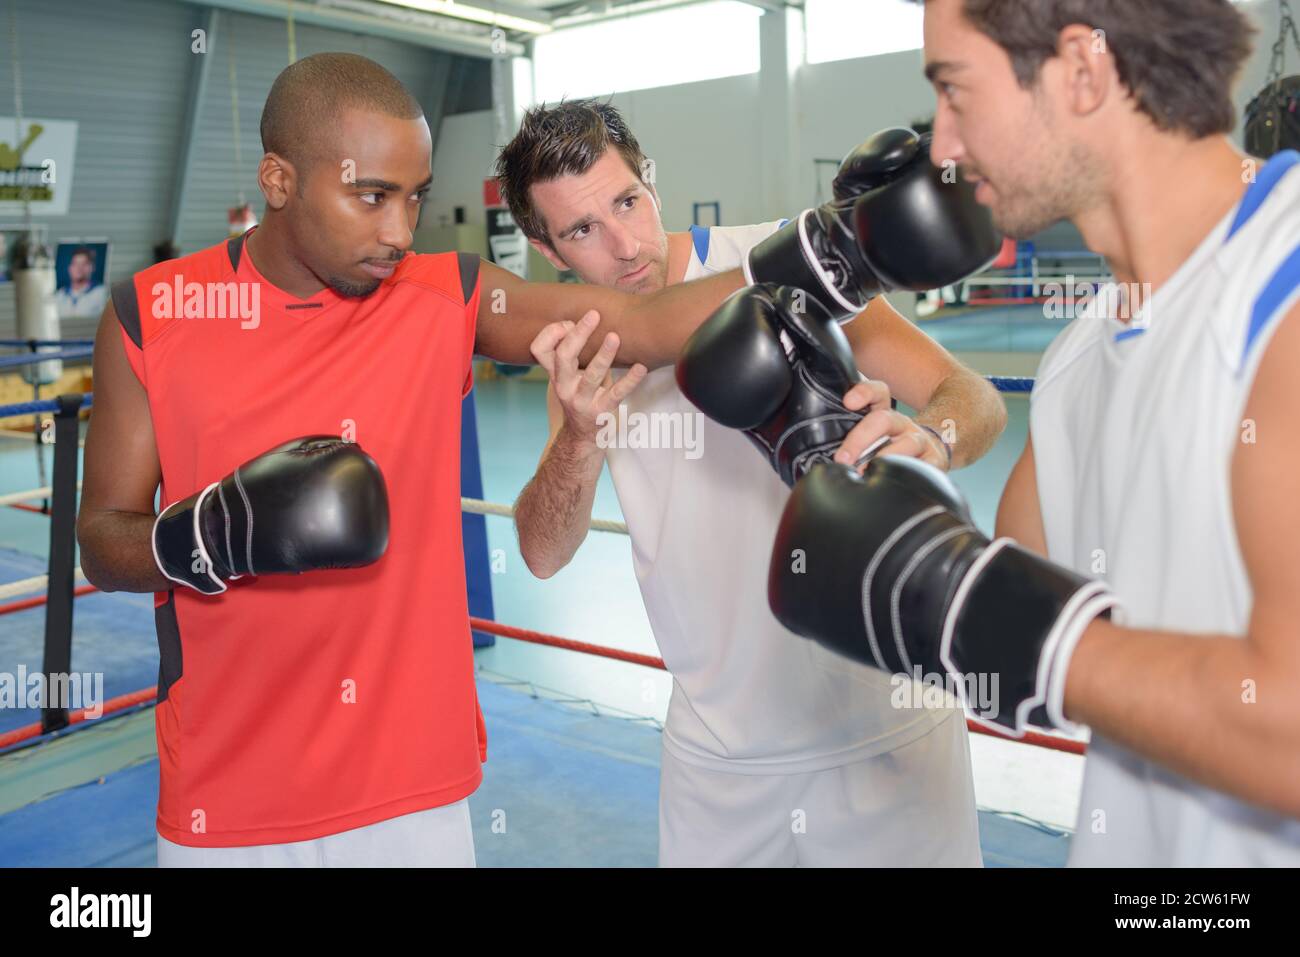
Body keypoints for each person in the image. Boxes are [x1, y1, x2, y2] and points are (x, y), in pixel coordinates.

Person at [76, 52, 760, 867]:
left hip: (415, 793)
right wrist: (209, 536)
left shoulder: (446, 296)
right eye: (371, 196)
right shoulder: (151, 316)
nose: (399, 231)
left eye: (414, 198)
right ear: (279, 178)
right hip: (225, 799)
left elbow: (639, 323)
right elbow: (100, 541)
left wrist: (828, 254)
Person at [765, 0, 1300, 866]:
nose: (939, 146)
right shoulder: (1079, 355)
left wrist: (963, 600)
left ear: (1083, 73)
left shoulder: (1284, 287)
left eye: (955, 91)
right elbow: (1025, 624)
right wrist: (884, 463)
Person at [502, 100, 1007, 866]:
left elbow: (974, 398)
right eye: (581, 230)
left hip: (890, 730)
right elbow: (541, 554)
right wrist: (577, 436)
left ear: (652, 186)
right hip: (721, 762)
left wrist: (929, 437)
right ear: (546, 249)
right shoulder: (588, 352)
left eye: (627, 202)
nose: (625, 244)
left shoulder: (785, 267)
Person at [54, 245, 108, 319]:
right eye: (75, 264)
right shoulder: (59, 296)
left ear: (92, 267)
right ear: (70, 268)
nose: (79, 268)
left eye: (84, 264)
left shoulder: (102, 293)